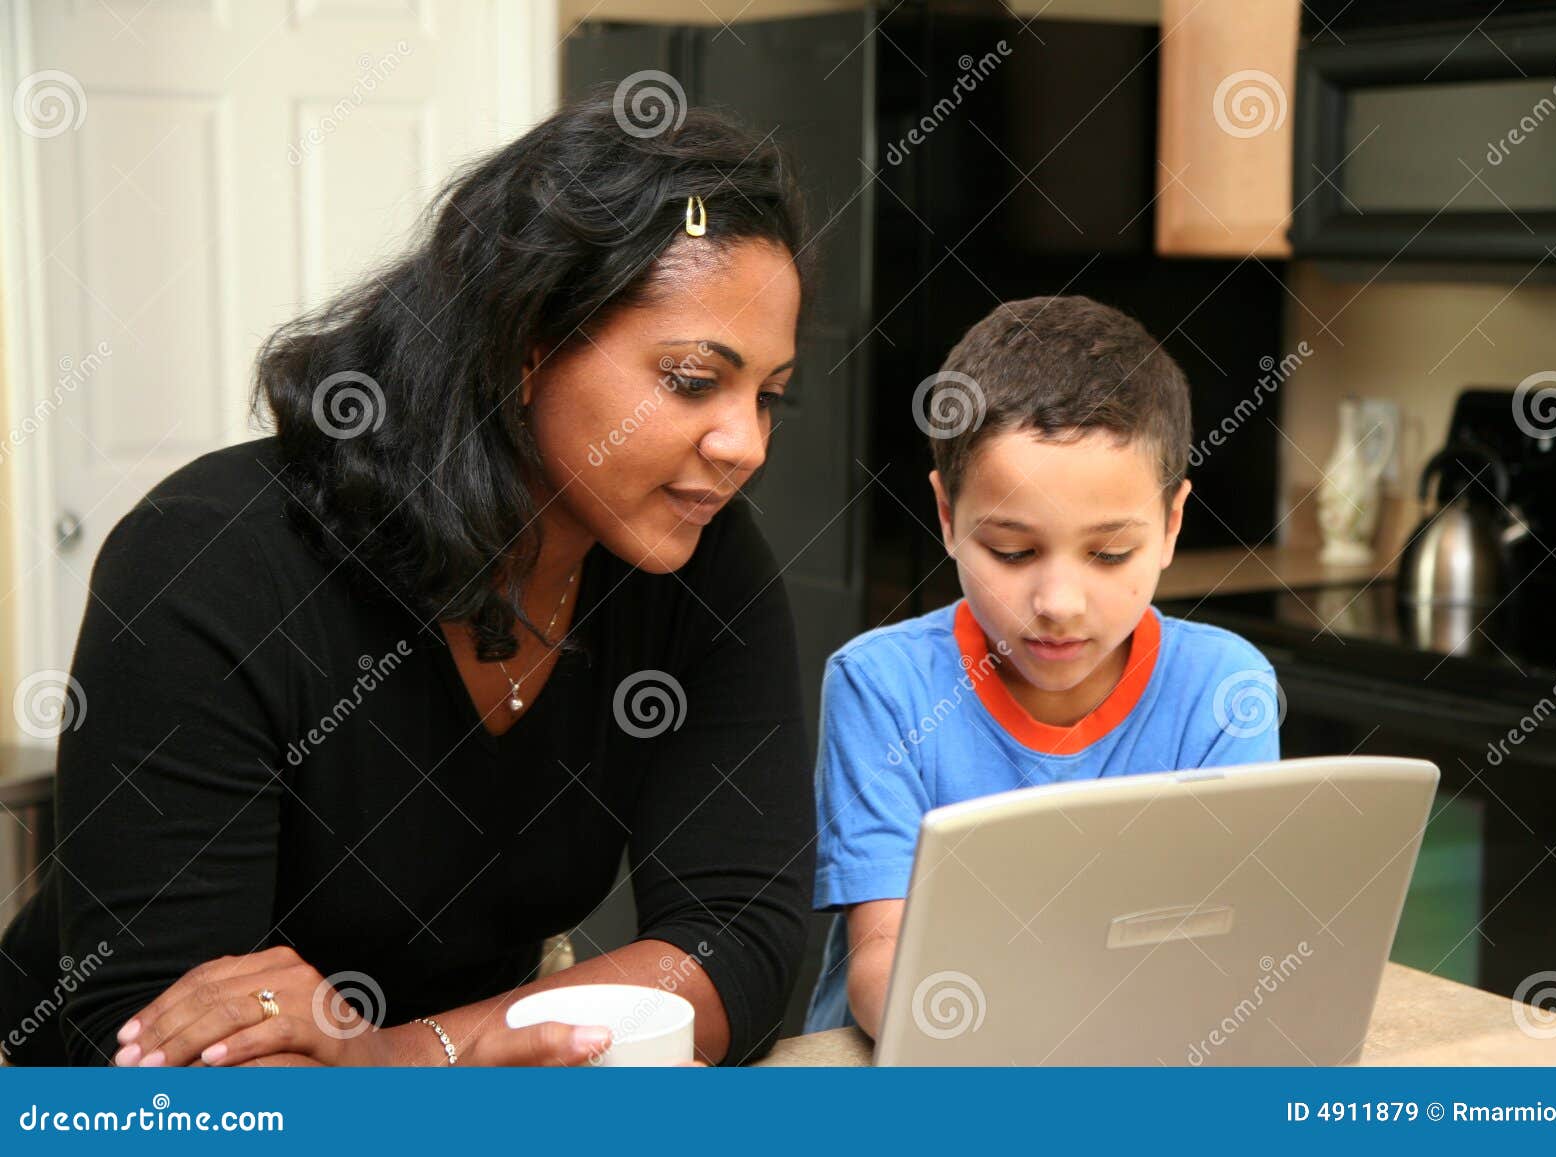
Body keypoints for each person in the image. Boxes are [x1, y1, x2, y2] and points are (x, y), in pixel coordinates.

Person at [0, 93, 816, 1068]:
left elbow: (740, 946)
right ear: (528, 345)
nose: (744, 445)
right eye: (691, 379)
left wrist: (401, 1056)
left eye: (769, 395)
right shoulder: (213, 559)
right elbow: (166, 1054)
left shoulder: (703, 559)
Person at [803, 295, 1282, 1036]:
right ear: (947, 517)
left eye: (1108, 553)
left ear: (1172, 524)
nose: (1058, 602)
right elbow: (879, 968)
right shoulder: (883, 688)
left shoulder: (1223, 692)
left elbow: (1229, 949)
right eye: (1014, 552)